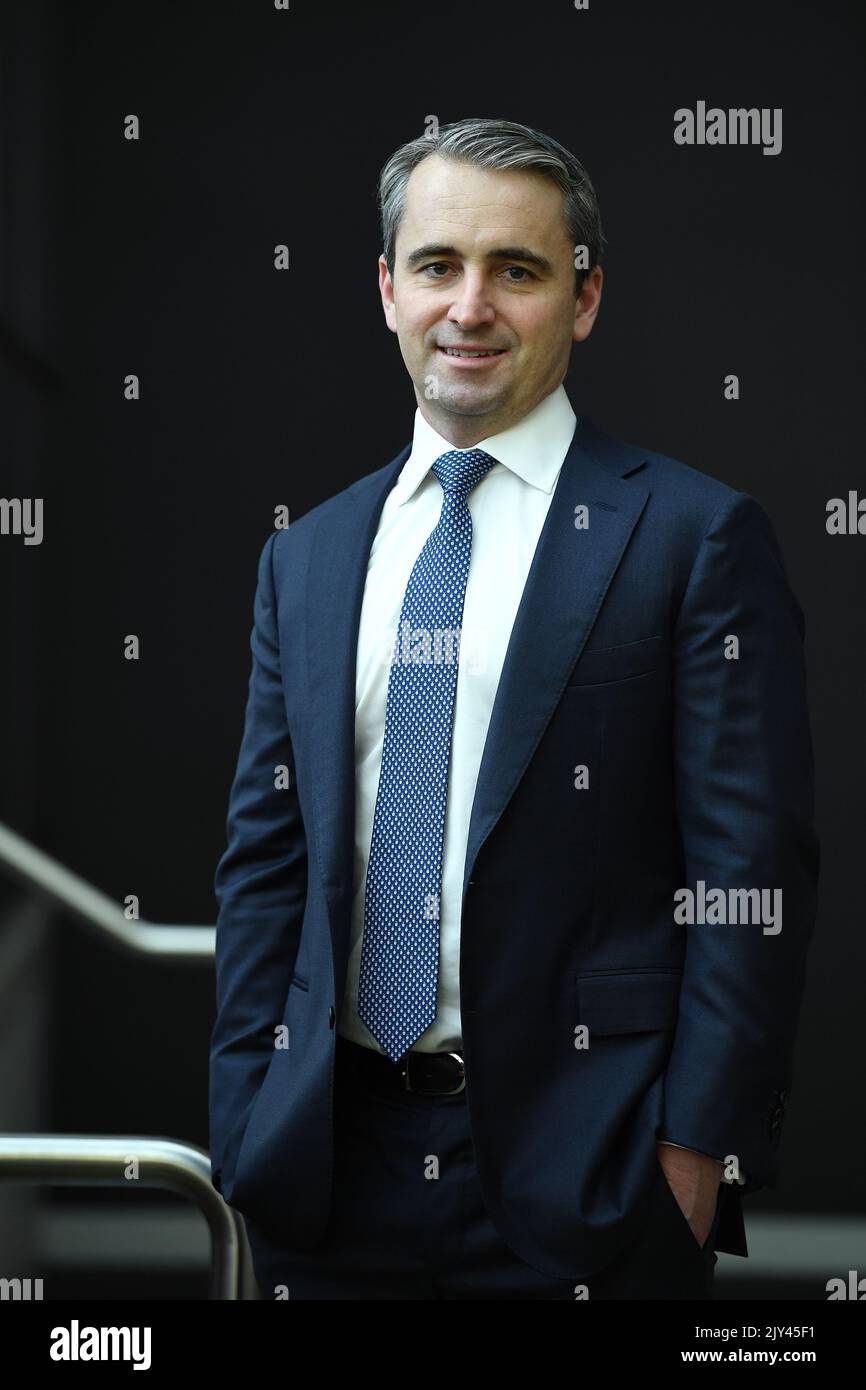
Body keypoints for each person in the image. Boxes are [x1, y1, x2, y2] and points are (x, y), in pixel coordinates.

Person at [208, 117, 819, 1300]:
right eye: (437, 266)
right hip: (325, 1174)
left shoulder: (691, 537)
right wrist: (247, 1105)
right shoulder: (312, 555)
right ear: (386, 290)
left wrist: (696, 1154)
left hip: (588, 1181)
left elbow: (752, 866)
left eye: (518, 270)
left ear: (583, 300)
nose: (469, 306)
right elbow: (263, 864)